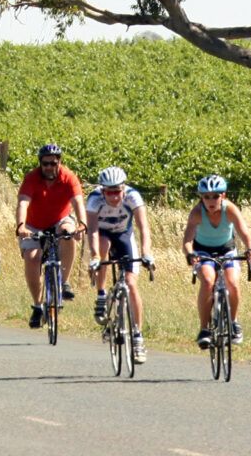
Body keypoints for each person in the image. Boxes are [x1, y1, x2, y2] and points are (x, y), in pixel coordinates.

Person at [85, 165, 154, 364]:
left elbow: (144, 227)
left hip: (124, 235)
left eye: (117, 191)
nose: (114, 197)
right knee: (104, 246)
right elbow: (93, 230)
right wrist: (96, 255)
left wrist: (146, 253)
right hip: (104, 234)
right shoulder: (94, 199)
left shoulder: (133, 197)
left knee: (132, 285)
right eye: (109, 192)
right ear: (103, 191)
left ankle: (138, 337)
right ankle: (101, 294)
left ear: (123, 189)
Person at [15, 142, 86, 329]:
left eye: (53, 163)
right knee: (32, 258)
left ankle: (64, 282)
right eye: (45, 163)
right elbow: (23, 203)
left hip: (60, 220)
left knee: (68, 234)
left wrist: (82, 224)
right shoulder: (31, 178)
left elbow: (78, 202)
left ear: (59, 162)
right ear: (40, 163)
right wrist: (21, 225)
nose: (49, 167)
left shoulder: (68, 177)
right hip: (33, 225)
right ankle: (38, 306)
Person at [182, 173, 251, 348]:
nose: (211, 201)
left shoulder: (230, 209)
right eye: (206, 197)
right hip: (203, 251)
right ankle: (204, 329)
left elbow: (244, 232)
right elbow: (187, 240)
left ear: (223, 196)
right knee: (208, 281)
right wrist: (190, 253)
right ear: (201, 198)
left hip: (227, 249)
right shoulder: (197, 213)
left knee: (233, 283)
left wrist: (250, 249)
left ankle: (233, 322)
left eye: (215, 196)